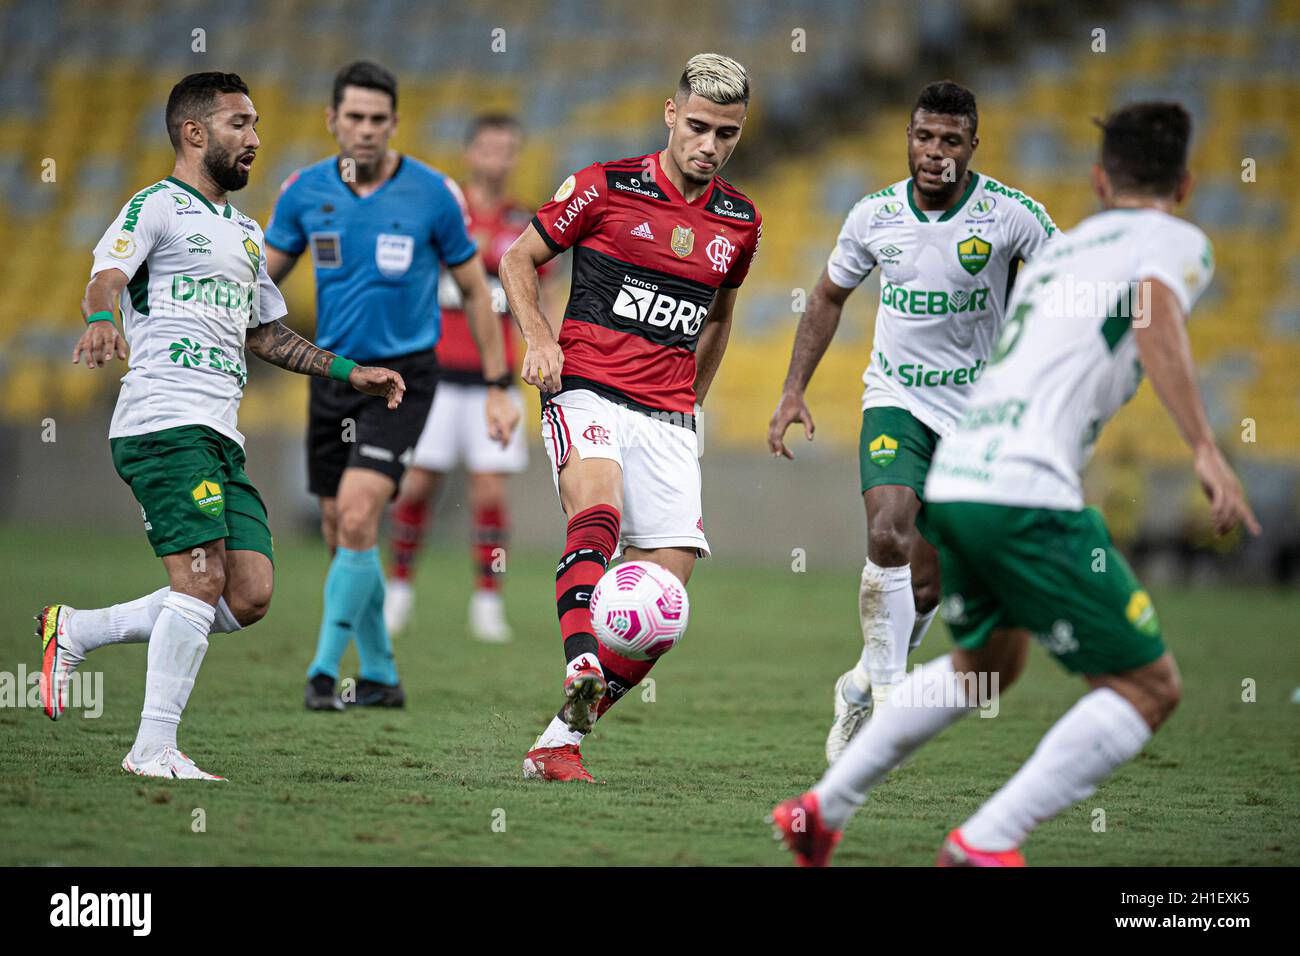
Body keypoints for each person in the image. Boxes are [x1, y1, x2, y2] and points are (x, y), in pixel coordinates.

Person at [772, 101, 1260, 866]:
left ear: (1099, 182)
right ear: (1189, 185)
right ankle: (986, 840)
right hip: (1022, 488)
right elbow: (1155, 312)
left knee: (985, 666)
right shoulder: (1172, 241)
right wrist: (1203, 447)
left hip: (967, 473)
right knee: (1150, 687)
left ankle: (819, 809)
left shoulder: (1059, 250)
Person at [36, 72, 406, 779]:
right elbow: (106, 277)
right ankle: (152, 748)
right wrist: (99, 320)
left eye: (258, 124)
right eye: (240, 124)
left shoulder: (243, 233)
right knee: (200, 578)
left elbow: (266, 334)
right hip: (162, 421)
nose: (255, 139)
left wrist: (349, 372)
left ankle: (75, 630)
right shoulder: (155, 208)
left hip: (218, 433)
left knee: (249, 593)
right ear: (194, 133)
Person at [768, 81, 1056, 764]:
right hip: (896, 398)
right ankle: (892, 702)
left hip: (979, 416)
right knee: (887, 530)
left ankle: (862, 684)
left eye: (950, 141)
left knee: (927, 586)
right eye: (924, 137)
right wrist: (791, 391)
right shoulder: (872, 216)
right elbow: (828, 296)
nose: (934, 153)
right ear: (908, 136)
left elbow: (1068, 287)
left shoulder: (1012, 216)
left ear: (972, 146)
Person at [499, 53, 762, 782]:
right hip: (587, 387)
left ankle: (560, 742)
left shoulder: (739, 222)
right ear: (672, 115)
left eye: (728, 134)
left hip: (668, 416)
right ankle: (578, 657)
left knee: (663, 610)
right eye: (700, 126)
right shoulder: (603, 187)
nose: (710, 145)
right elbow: (518, 260)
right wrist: (541, 339)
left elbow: (720, 315)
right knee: (600, 512)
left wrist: (693, 399)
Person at [264, 62, 518, 711]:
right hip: (331, 376)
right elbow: (259, 284)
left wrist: (497, 385)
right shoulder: (303, 192)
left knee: (356, 515)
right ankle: (379, 673)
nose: (367, 130)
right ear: (332, 121)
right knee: (337, 529)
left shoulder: (433, 194)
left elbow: (474, 290)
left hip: (404, 380)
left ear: (395, 124)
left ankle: (324, 672)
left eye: (379, 119)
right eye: (355, 117)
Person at [385, 114, 556, 643]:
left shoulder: (525, 222)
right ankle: (398, 591)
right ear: (469, 151)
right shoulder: (439, 213)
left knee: (488, 494)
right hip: (432, 374)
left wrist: (544, 346)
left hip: (494, 378)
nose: (497, 158)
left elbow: (539, 295)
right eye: (488, 147)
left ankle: (487, 601)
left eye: (508, 149)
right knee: (416, 484)